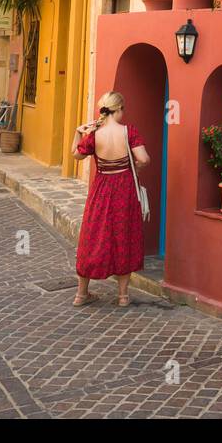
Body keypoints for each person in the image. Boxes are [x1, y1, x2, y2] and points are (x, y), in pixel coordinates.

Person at [71, 91, 148, 308]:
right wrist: (134, 166)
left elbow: (76, 155)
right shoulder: (129, 131)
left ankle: (81, 294)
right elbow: (143, 158)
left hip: (102, 188)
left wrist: (78, 132)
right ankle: (123, 296)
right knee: (125, 236)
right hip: (125, 188)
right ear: (119, 109)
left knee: (92, 236)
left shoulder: (94, 135)